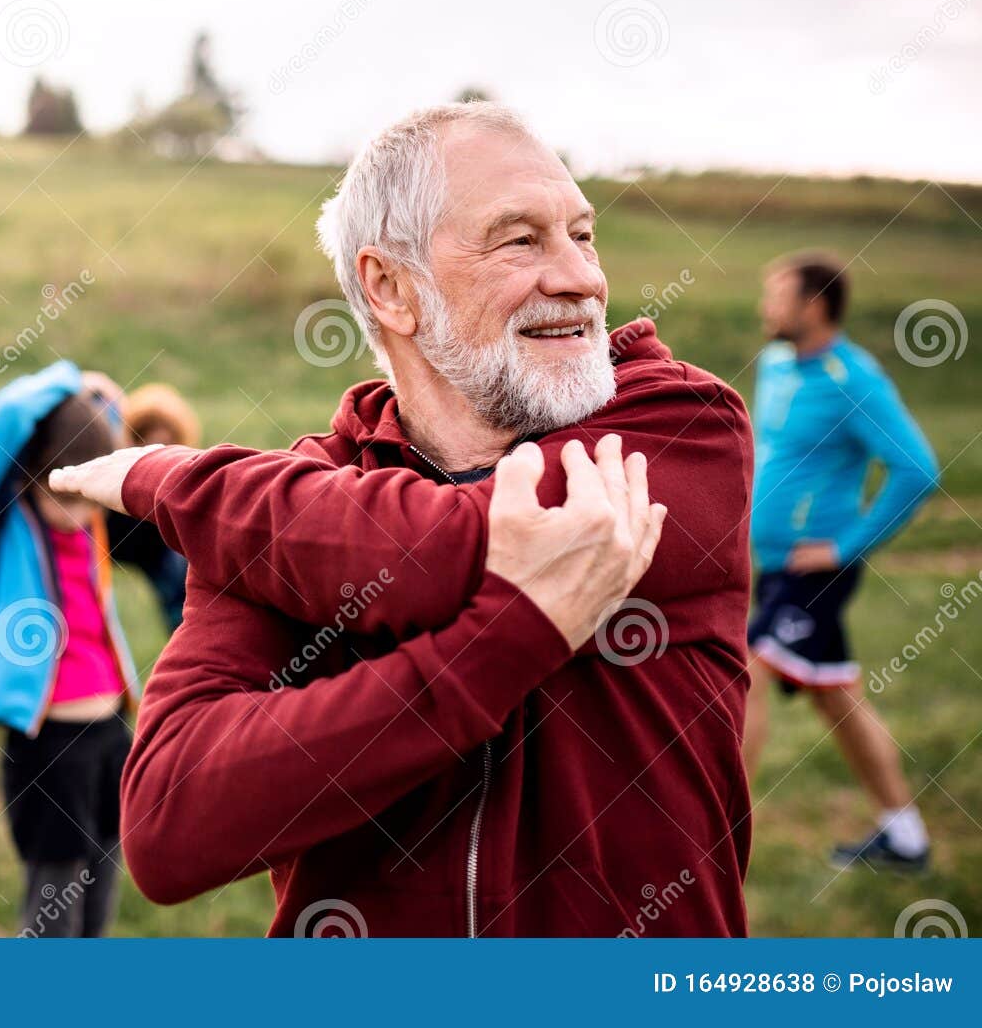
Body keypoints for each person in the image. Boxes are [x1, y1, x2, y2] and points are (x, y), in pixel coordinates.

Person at [50, 102, 755, 937]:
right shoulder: (293, 503)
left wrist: (170, 479)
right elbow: (170, 825)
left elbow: (450, 547)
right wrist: (507, 639)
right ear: (391, 287)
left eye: (584, 234)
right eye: (521, 239)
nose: (581, 277)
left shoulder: (681, 423)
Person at [742, 251, 939, 870]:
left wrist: (844, 546)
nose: (764, 307)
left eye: (777, 296)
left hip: (816, 573)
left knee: (744, 673)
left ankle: (712, 839)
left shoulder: (853, 379)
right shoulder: (775, 365)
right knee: (837, 697)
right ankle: (905, 837)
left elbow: (917, 469)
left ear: (814, 305)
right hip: (774, 566)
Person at [0, 361, 139, 937]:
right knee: (55, 896)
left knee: (104, 880)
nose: (85, 511)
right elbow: (8, 412)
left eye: (90, 498)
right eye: (68, 496)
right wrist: (75, 379)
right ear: (30, 474)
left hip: (109, 732)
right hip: (48, 746)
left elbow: (105, 443)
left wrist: (106, 405)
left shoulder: (91, 523)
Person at [105, 383, 197, 631]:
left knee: (182, 599)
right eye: (144, 443)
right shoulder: (110, 474)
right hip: (110, 535)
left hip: (155, 547)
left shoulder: (181, 489)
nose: (155, 455)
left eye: (167, 447)